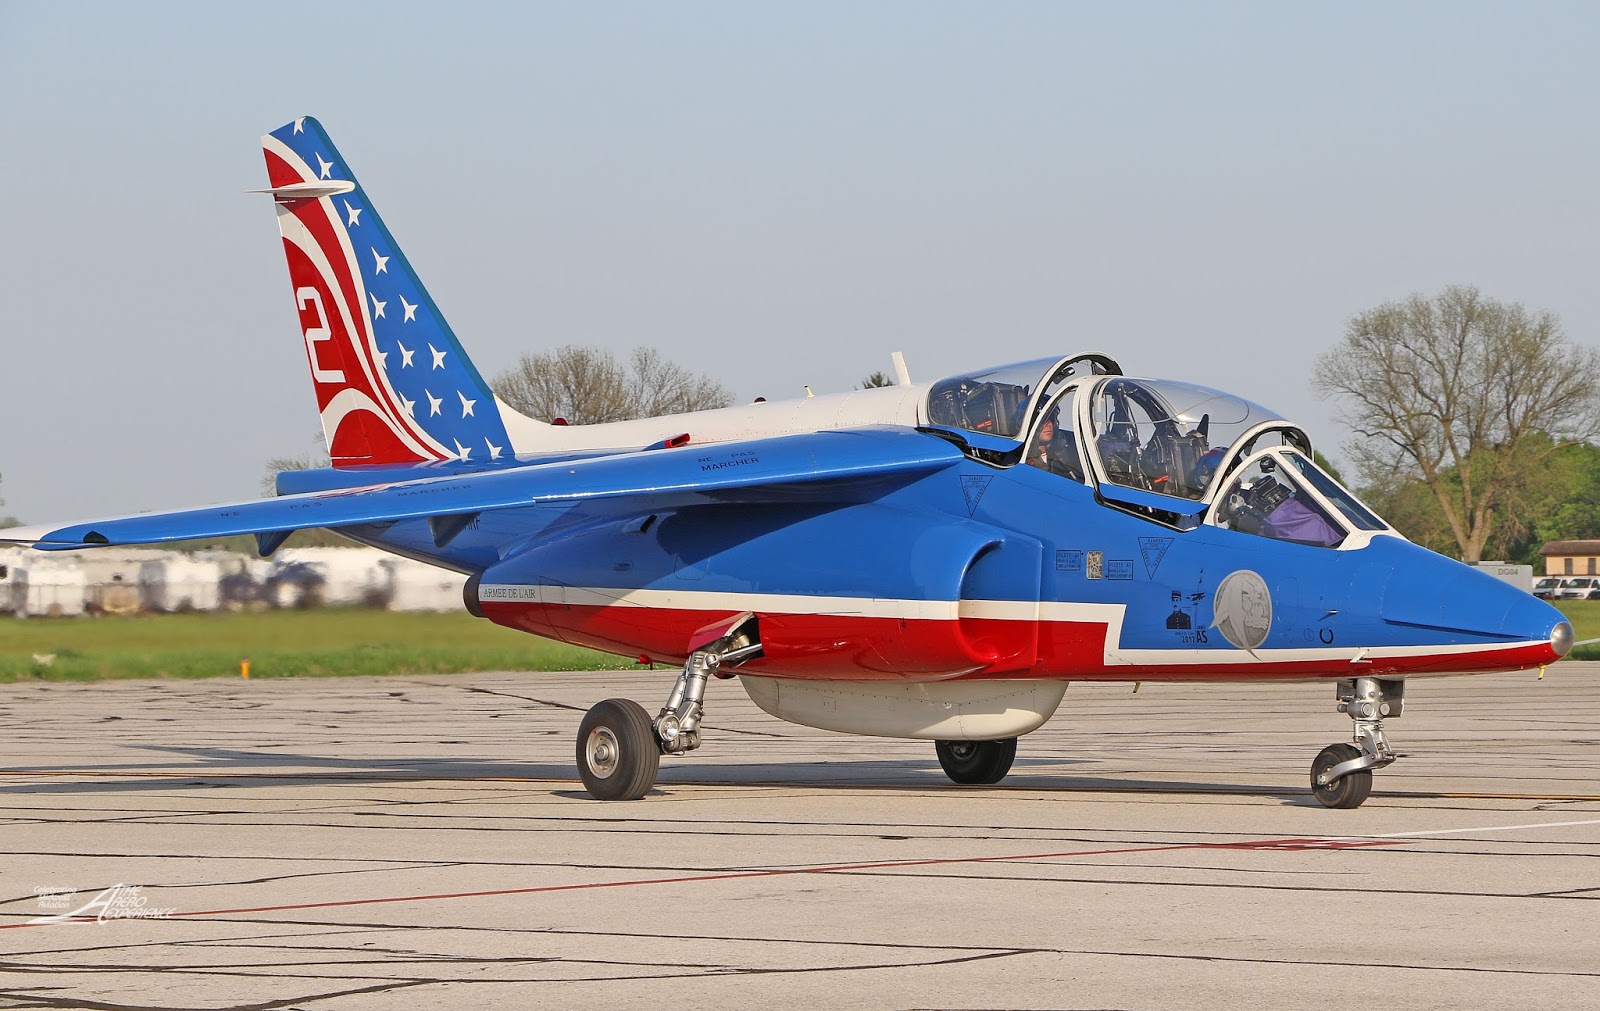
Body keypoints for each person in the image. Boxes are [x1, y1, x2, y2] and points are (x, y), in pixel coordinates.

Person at [1026, 410, 1082, 480]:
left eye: (1051, 420)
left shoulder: (1065, 456)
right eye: (1043, 421)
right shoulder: (1025, 462)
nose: (1049, 425)